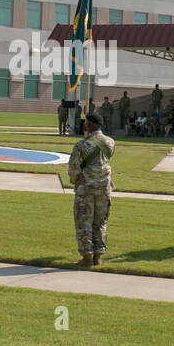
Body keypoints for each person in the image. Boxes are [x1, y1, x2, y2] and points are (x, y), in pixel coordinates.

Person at [68, 112, 115, 269]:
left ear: (90, 125)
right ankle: (98, 256)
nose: (83, 124)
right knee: (100, 222)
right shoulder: (110, 142)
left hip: (86, 189)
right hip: (104, 189)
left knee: (84, 222)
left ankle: (87, 257)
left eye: (85, 122)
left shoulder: (82, 145)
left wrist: (74, 181)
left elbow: (73, 170)